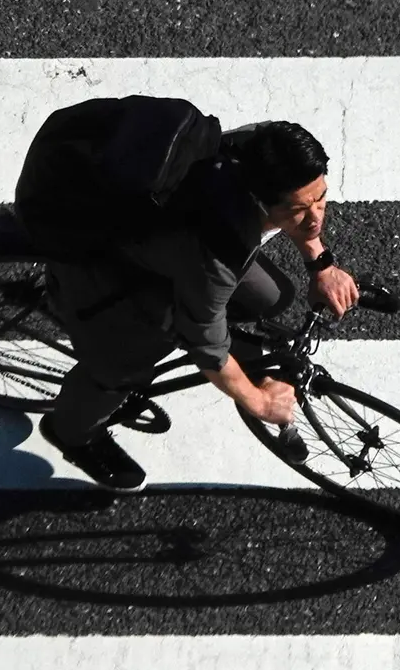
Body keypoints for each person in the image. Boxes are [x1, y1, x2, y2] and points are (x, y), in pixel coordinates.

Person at [35, 120, 361, 490]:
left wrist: (321, 265)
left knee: (271, 296)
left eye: (321, 197)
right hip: (101, 262)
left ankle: (210, 327)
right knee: (122, 368)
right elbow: (207, 345)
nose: (316, 216)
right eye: (298, 210)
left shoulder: (262, 147)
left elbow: (301, 212)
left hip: (165, 239)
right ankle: (71, 433)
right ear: (258, 199)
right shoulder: (218, 253)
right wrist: (259, 403)